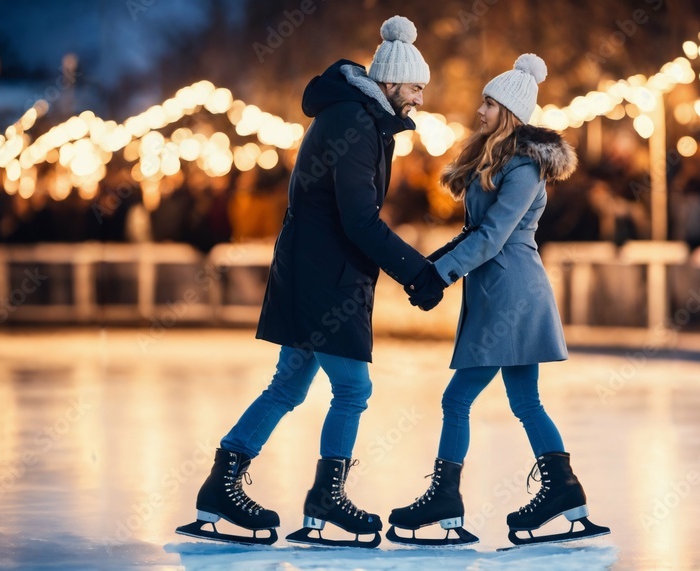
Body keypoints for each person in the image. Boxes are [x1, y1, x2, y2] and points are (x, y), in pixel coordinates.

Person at [176, 15, 447, 549]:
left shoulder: (356, 117)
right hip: (327, 279)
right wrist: (418, 273)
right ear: (390, 84)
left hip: (314, 271)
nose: (419, 98)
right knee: (352, 389)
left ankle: (220, 488)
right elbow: (358, 219)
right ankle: (327, 498)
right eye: (415, 87)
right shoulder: (354, 122)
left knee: (288, 385)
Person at [388, 54, 611, 547]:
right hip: (502, 288)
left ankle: (446, 498)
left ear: (509, 111)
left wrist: (440, 275)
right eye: (483, 100)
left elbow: (492, 236)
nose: (480, 109)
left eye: (489, 103)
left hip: (511, 293)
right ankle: (565, 494)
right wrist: (433, 266)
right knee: (526, 401)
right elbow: (475, 231)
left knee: (457, 398)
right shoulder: (499, 160)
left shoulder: (525, 167)